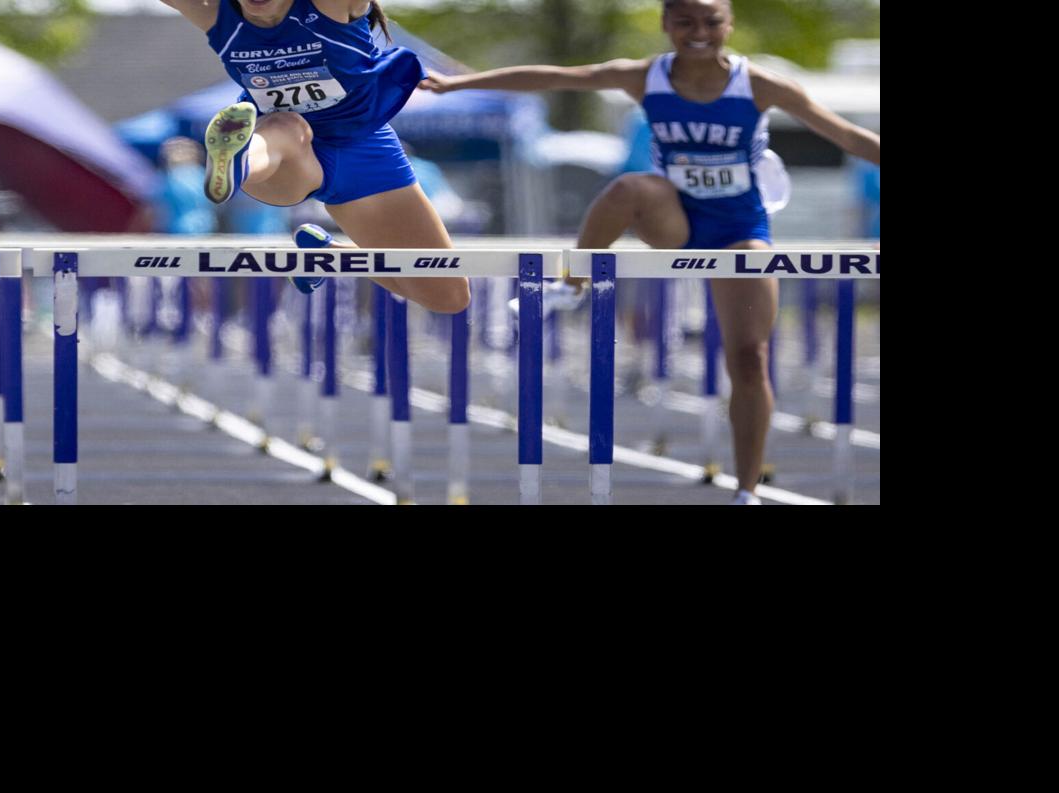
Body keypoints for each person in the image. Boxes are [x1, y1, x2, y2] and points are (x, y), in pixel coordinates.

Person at [420, 0, 880, 504]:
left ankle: (747, 489)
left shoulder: (759, 84)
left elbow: (846, 135)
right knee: (630, 189)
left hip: (739, 227)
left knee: (750, 358)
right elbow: (555, 76)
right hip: (675, 219)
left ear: (728, 25)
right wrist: (458, 84)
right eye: (685, 22)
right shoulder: (644, 77)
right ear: (666, 25)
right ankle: (570, 286)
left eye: (712, 22)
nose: (699, 33)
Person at [158, 0, 469, 314]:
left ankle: (327, 254)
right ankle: (238, 163)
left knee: (448, 297)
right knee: (287, 125)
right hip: (284, 161)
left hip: (365, 156)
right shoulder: (213, 11)